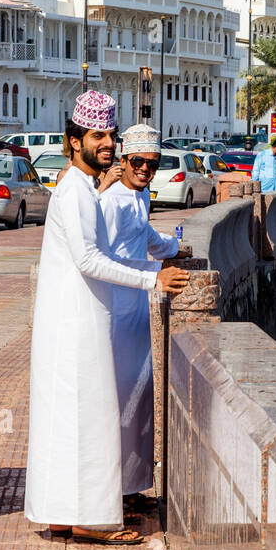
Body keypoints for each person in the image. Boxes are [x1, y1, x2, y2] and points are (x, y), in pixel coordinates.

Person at [26, 91, 190, 545]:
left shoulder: (80, 189)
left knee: (70, 421)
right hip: (76, 325)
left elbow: (105, 257)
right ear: (73, 140)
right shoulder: (76, 192)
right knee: (92, 419)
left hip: (77, 320)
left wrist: (155, 269)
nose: (106, 143)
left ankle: (64, 516)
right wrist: (152, 280)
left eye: (110, 135)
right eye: (97, 135)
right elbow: (89, 260)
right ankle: (88, 521)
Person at [99, 124, 191, 513]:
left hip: (137, 309)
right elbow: (102, 257)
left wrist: (175, 247)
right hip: (115, 311)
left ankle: (133, 485)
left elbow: (147, 237)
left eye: (152, 165)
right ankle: (111, 490)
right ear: (124, 160)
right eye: (138, 162)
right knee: (117, 399)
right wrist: (153, 276)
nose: (145, 170)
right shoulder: (113, 201)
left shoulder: (138, 198)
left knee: (139, 397)